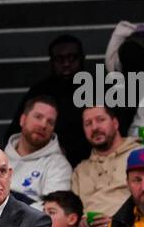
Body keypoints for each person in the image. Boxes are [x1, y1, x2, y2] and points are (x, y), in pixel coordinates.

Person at [71, 104, 144, 227]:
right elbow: (71, 214)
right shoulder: (80, 170)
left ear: (115, 123)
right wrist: (80, 222)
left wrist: (118, 223)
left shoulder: (143, 155)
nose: (94, 127)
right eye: (88, 123)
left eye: (100, 120)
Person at [7, 34, 88, 165]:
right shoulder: (39, 91)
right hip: (43, 164)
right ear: (51, 62)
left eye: (72, 58)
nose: (66, 64)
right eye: (60, 59)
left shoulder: (99, 88)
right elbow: (15, 133)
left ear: (82, 58)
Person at [4, 95, 71, 208]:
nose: (43, 125)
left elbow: (53, 211)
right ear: (22, 120)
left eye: (50, 122)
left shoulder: (59, 166)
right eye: (38, 117)